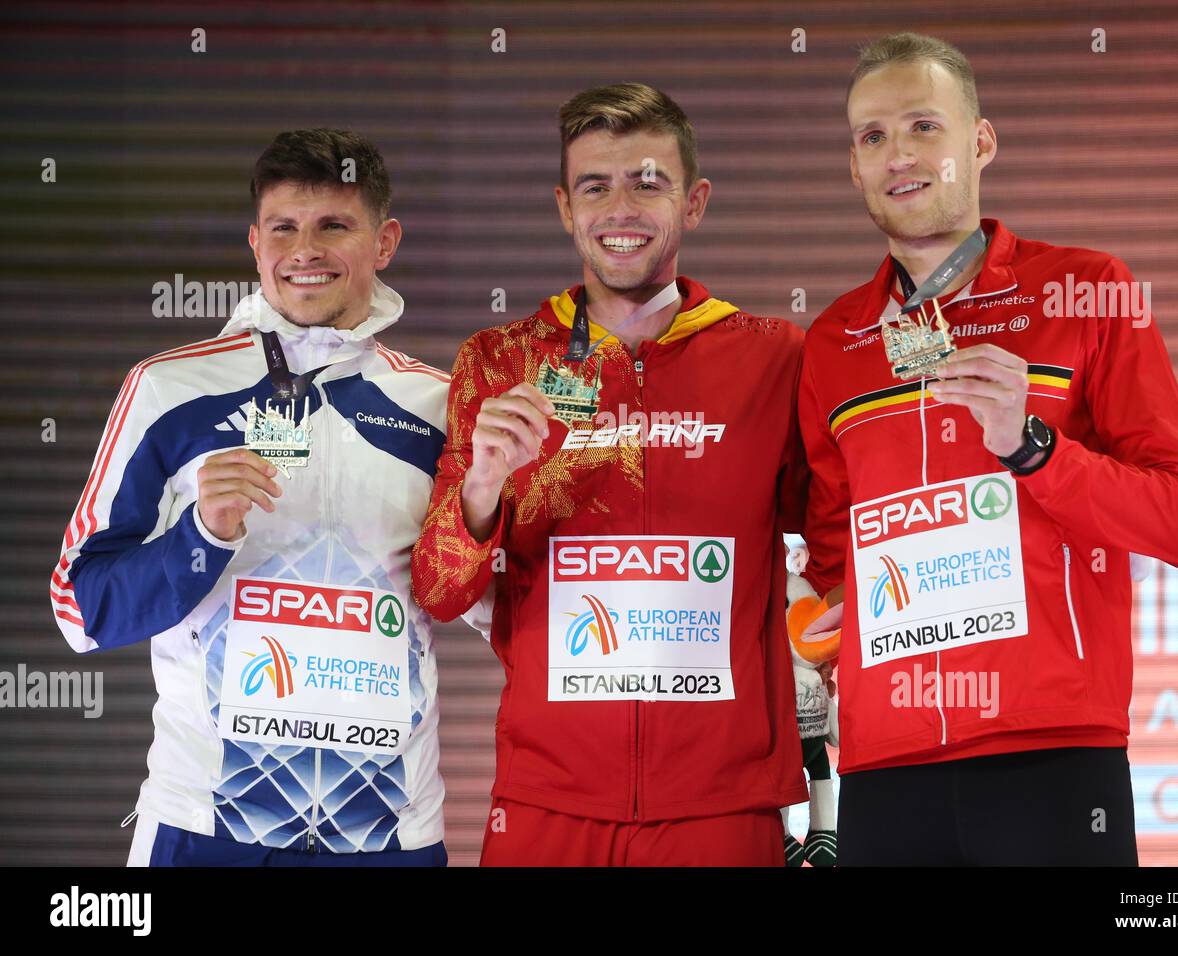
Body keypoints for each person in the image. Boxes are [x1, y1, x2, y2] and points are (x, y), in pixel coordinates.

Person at [796, 33, 1178, 865]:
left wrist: (1033, 449)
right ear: (854, 164)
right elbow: (833, 553)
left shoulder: (1088, 290)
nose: (898, 154)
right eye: (873, 136)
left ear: (981, 141)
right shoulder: (834, 341)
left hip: (1053, 759)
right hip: (883, 769)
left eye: (924, 126)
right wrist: (821, 624)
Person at [412, 83, 808, 866]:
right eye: (595, 186)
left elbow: (836, 540)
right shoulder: (497, 362)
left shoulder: (775, 357)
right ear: (565, 208)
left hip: (721, 802)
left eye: (647, 184)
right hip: (546, 798)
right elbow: (438, 590)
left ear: (694, 203)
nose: (620, 209)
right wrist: (481, 488)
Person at [51, 128, 455, 866]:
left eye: (334, 225)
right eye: (283, 228)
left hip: (389, 833)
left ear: (384, 241)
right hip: (203, 828)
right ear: (255, 242)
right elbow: (80, 611)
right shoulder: (171, 389)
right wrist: (200, 537)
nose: (306, 250)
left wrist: (502, 500)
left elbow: (491, 602)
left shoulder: (438, 405)